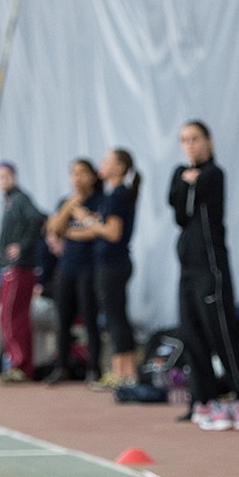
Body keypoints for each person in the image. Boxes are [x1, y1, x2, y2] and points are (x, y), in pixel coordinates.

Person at [168, 121, 239, 430]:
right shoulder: (179, 173)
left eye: (195, 139)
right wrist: (185, 182)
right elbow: (178, 213)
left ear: (208, 142)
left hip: (211, 268)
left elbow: (194, 199)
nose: (190, 145)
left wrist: (191, 184)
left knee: (221, 333)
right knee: (192, 334)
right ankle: (201, 402)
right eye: (184, 140)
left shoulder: (214, 174)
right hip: (187, 270)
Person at [69, 148, 140, 389]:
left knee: (115, 318)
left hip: (112, 264)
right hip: (112, 263)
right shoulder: (115, 194)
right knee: (116, 316)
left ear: (120, 167)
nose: (102, 164)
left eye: (106, 161)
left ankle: (124, 375)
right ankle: (123, 373)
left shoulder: (117, 195)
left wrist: (86, 219)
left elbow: (112, 232)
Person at [44, 158, 104, 384]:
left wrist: (73, 230)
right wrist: (69, 206)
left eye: (82, 173)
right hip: (67, 267)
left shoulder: (100, 201)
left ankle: (93, 367)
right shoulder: (67, 201)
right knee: (63, 320)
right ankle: (63, 367)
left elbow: (96, 231)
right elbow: (53, 229)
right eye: (73, 173)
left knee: (90, 319)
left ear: (92, 175)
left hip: (89, 268)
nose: (77, 178)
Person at [0, 163, 46, 382]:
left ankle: (19, 364)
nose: (2, 180)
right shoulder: (10, 202)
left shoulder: (20, 200)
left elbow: (38, 219)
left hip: (19, 268)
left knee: (10, 316)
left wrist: (21, 247)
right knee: (15, 317)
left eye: (6, 175)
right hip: (12, 268)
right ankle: (20, 365)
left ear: (14, 176)